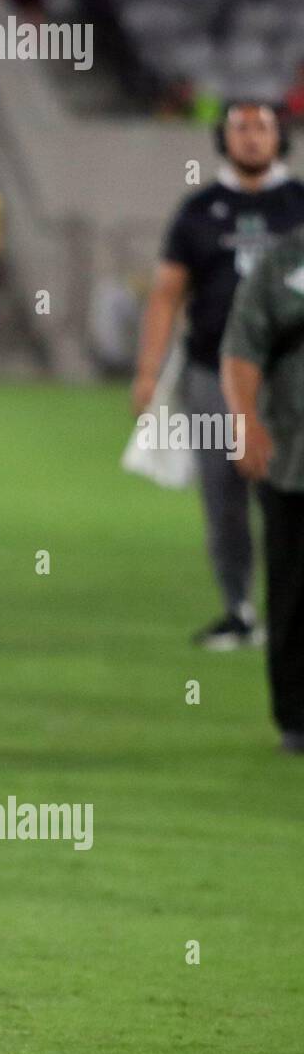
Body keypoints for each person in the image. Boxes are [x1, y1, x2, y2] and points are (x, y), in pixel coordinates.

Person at [134, 101, 304, 649]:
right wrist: (147, 371)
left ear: (281, 138)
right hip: (212, 372)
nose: (251, 138)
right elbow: (167, 295)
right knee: (223, 496)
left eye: (262, 128)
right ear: (222, 138)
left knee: (292, 495)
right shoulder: (199, 209)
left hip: (293, 378)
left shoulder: (299, 204)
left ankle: (290, 612)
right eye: (240, 128)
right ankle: (239, 609)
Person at [221, 224, 304, 752]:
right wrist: (246, 423)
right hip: (294, 456)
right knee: (294, 588)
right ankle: (297, 717)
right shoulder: (279, 264)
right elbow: (243, 348)